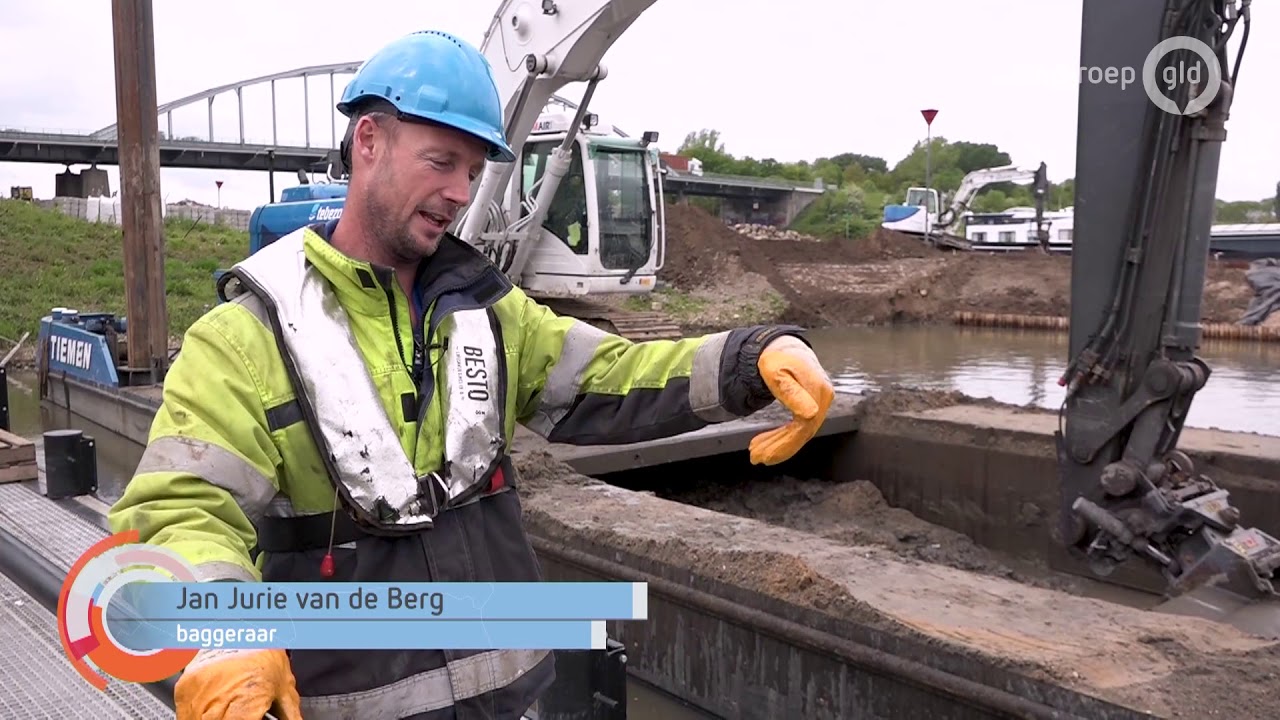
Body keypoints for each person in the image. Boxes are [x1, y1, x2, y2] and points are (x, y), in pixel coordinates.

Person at [107, 29, 835, 720]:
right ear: (369, 141)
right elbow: (182, 512)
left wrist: (752, 357)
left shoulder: (488, 311)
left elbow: (610, 376)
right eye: (440, 161)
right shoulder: (244, 339)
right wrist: (227, 633)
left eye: (473, 170)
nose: (461, 192)